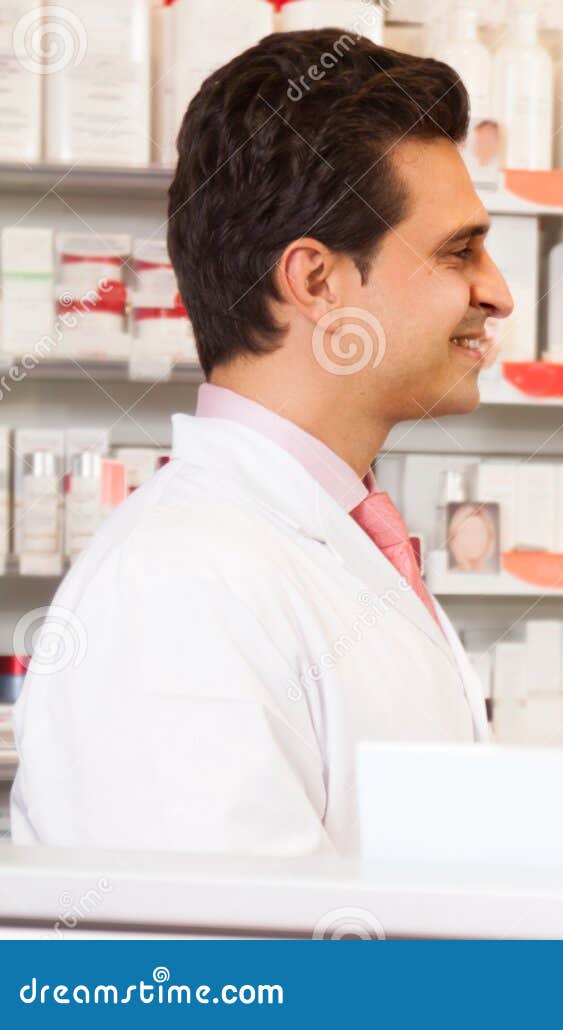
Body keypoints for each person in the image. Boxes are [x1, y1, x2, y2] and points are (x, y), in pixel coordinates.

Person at [11, 30, 514, 856]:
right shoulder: (177, 587)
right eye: (461, 251)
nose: (496, 293)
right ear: (317, 282)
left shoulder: (319, 541)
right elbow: (233, 977)